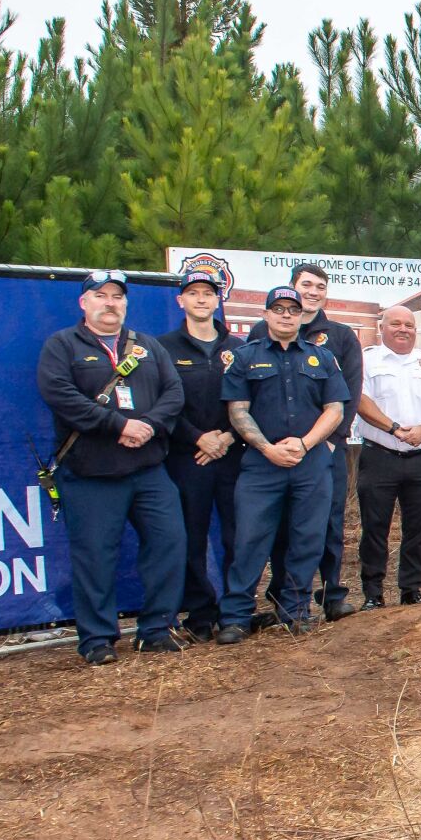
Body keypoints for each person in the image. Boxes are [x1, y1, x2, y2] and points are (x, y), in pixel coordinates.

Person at [35, 269, 187, 664]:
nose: (109, 302)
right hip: (92, 474)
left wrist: (149, 427)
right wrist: (118, 425)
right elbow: (59, 394)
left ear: (125, 303)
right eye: (100, 295)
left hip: (149, 469)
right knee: (95, 557)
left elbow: (173, 393)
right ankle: (97, 639)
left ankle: (156, 629)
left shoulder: (147, 346)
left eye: (116, 296)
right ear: (84, 303)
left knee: (169, 543)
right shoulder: (63, 345)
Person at [214, 285, 347, 642]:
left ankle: (296, 610)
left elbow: (335, 409)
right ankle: (236, 617)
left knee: (307, 539)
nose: (286, 315)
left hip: (311, 461)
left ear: (302, 315)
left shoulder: (321, 357)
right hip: (261, 463)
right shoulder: (244, 357)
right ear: (266, 315)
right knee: (250, 540)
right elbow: (237, 410)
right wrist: (267, 448)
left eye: (293, 309)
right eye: (279, 309)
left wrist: (305, 444)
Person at [246, 263, 363, 622]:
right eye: (307, 285)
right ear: (292, 288)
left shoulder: (341, 336)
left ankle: (331, 593)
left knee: (327, 523)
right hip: (275, 454)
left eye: (320, 287)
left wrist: (331, 441)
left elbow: (351, 393)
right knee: (282, 526)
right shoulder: (260, 332)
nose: (314, 292)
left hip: (325, 449)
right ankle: (284, 598)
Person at [157, 270, 243, 641]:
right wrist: (198, 440)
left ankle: (236, 610)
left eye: (208, 293)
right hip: (187, 457)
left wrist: (225, 437)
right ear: (181, 301)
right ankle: (200, 612)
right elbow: (161, 406)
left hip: (233, 453)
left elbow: (252, 403)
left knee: (237, 536)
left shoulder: (238, 348)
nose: (201, 299)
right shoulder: (163, 348)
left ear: (217, 299)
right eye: (193, 293)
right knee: (191, 537)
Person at [355, 306, 421, 608]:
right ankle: (373, 593)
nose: (403, 329)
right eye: (395, 323)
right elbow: (360, 400)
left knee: (418, 527)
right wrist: (394, 429)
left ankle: (412, 589)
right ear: (381, 327)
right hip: (380, 457)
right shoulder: (367, 360)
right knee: (375, 527)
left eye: (409, 325)